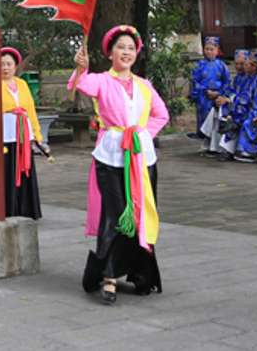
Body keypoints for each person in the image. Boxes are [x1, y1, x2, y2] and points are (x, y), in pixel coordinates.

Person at [70, 25, 168, 305]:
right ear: (110, 53)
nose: (126, 52)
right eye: (120, 47)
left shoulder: (144, 86)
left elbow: (161, 114)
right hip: (111, 156)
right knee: (115, 214)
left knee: (141, 213)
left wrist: (142, 134)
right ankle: (108, 275)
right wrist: (80, 68)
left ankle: (140, 273)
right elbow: (82, 85)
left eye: (130, 48)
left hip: (141, 157)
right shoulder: (101, 80)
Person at [0, 46, 44, 219]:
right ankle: (7, 208)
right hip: (4, 132)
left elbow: (30, 109)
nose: (5, 68)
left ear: (15, 66)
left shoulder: (22, 84)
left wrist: (37, 134)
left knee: (26, 168)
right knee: (6, 170)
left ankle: (27, 208)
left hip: (23, 131)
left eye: (9, 64)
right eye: (1, 64)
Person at [189, 37, 228, 141]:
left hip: (217, 96)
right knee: (203, 115)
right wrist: (205, 90)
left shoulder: (222, 66)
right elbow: (194, 81)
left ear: (217, 50)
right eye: (207, 49)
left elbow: (226, 82)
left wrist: (219, 92)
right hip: (203, 96)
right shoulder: (199, 65)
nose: (209, 52)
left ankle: (214, 140)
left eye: (212, 49)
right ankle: (203, 136)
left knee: (215, 118)